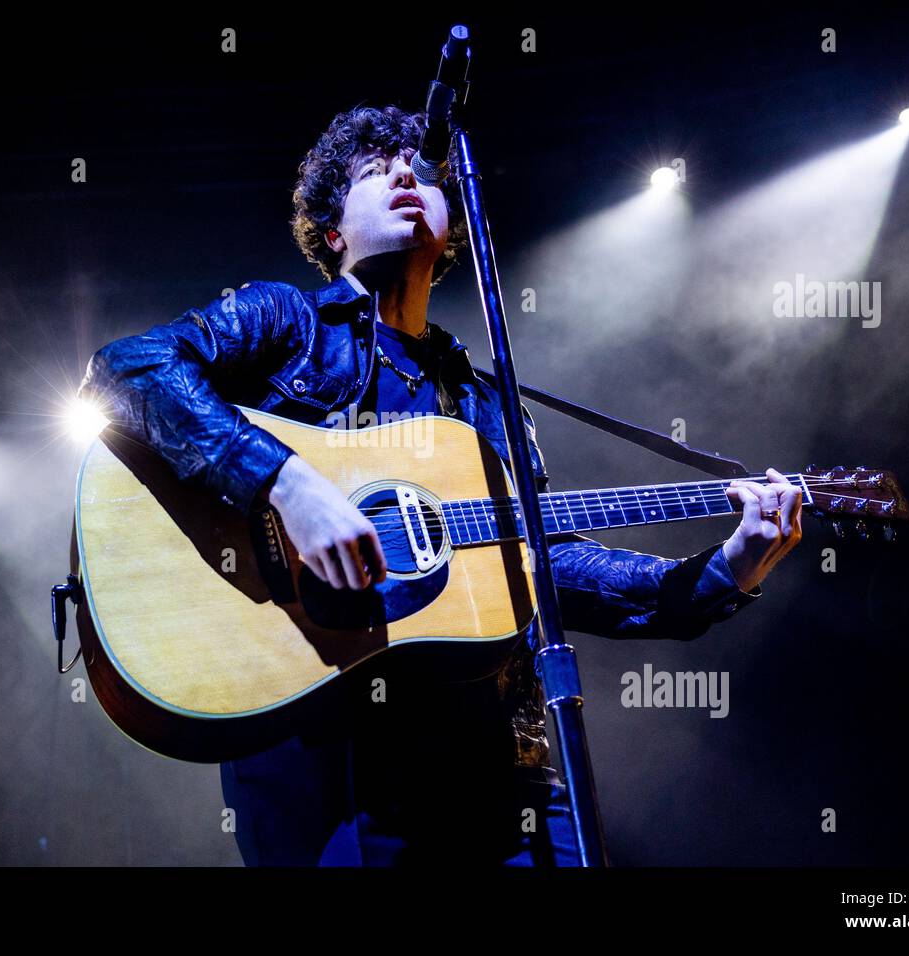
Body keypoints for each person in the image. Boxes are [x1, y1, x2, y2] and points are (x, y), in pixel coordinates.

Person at [78, 104, 802, 866]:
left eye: (421, 172)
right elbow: (125, 370)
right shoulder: (287, 324)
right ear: (333, 233)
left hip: (485, 767)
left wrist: (728, 568)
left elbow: (543, 564)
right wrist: (288, 486)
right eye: (372, 171)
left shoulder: (485, 402)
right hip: (322, 753)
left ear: (452, 226)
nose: (403, 175)